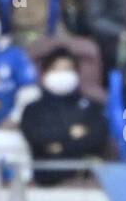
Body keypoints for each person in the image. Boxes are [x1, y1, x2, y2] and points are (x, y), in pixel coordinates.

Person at [20, 48, 108, 185]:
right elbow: (37, 139)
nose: (62, 74)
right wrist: (72, 135)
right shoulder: (33, 110)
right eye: (56, 69)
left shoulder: (92, 107)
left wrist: (58, 144)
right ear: (44, 74)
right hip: (45, 183)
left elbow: (96, 140)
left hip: (85, 182)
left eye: (68, 69)